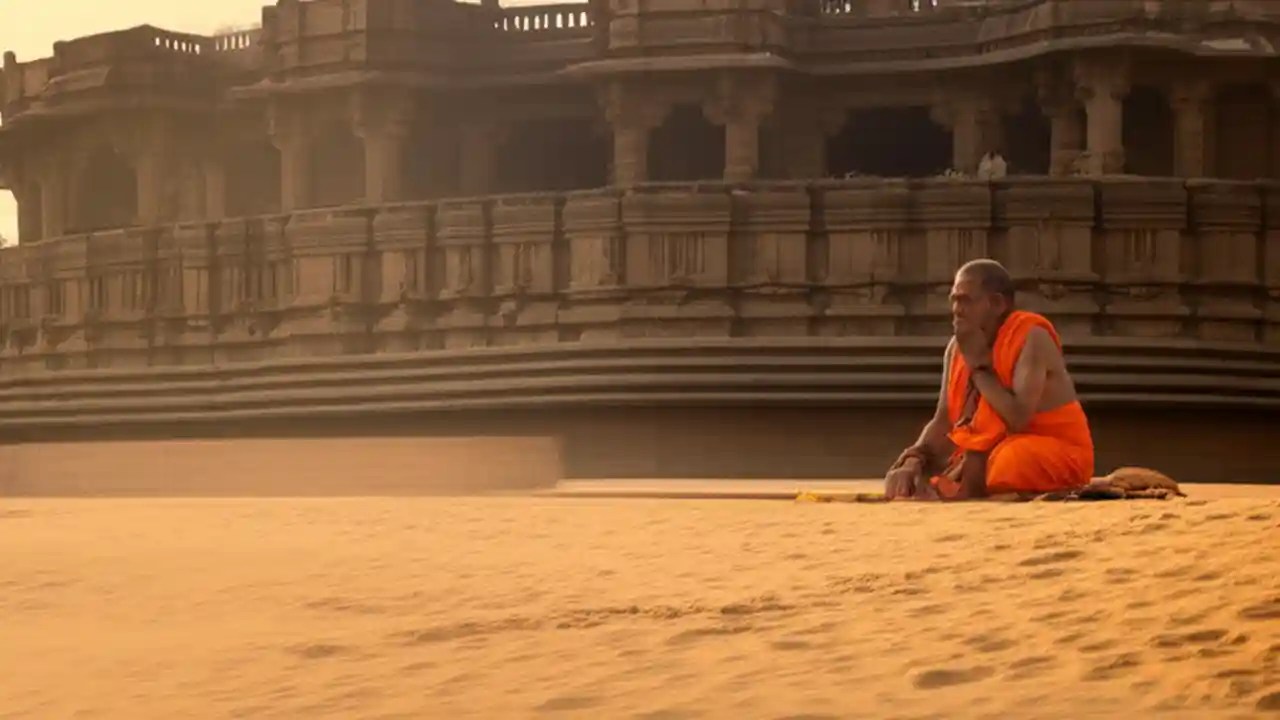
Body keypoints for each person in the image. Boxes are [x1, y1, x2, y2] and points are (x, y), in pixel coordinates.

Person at [885, 259, 1094, 500]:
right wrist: (913, 459)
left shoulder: (1031, 337)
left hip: (1052, 450)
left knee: (1009, 461)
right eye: (953, 300)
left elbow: (1018, 418)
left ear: (996, 303)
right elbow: (944, 419)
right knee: (925, 469)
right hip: (987, 453)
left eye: (965, 300)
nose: (956, 309)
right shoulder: (957, 347)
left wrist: (979, 369)